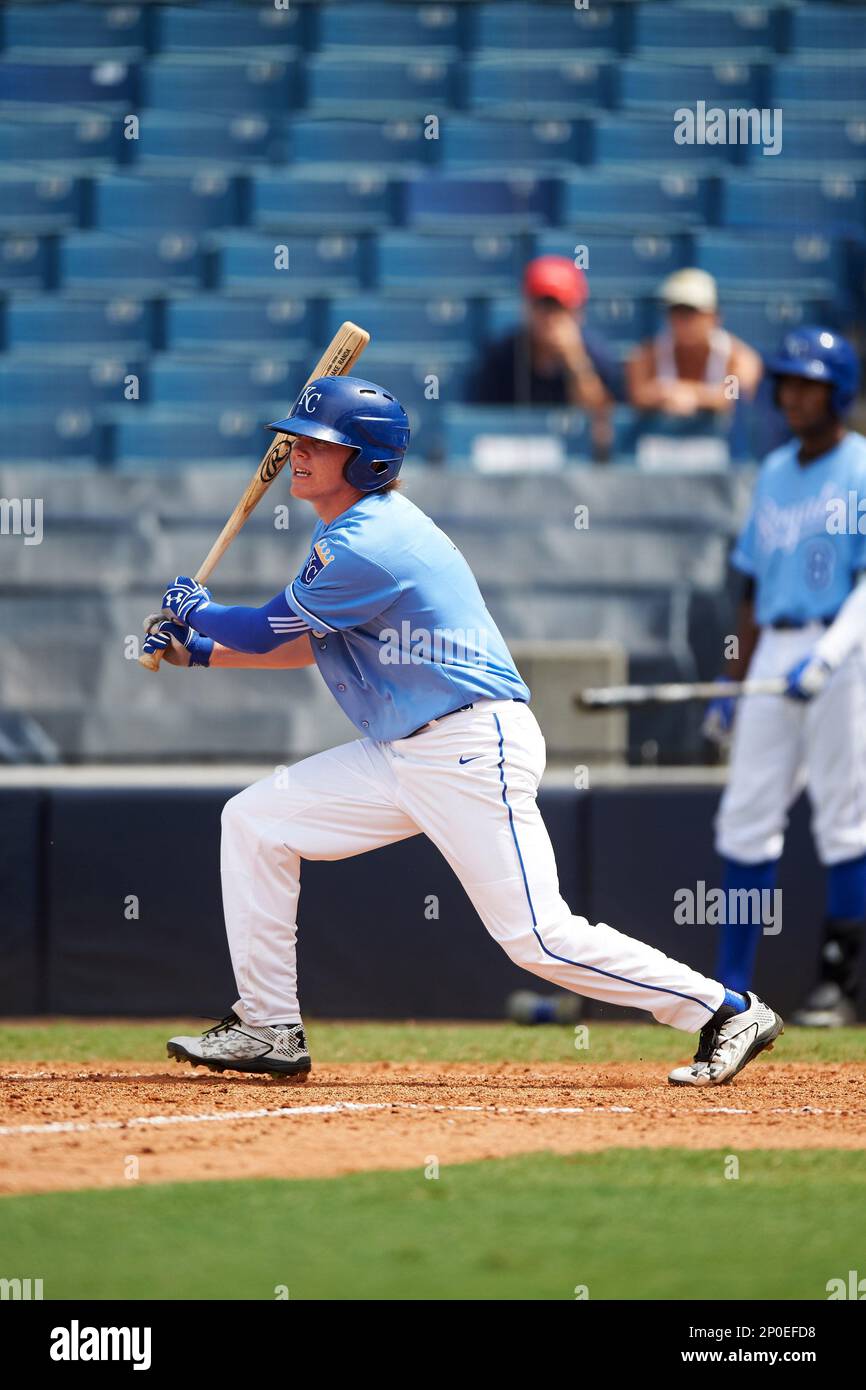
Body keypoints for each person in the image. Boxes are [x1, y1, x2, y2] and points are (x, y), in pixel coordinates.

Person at [142, 374, 782, 1085]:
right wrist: (198, 650)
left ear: (367, 461)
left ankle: (725, 1009)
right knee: (256, 821)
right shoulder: (349, 537)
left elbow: (265, 630)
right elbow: (303, 640)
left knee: (537, 938)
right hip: (403, 753)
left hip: (468, 745)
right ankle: (267, 1025)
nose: (297, 451)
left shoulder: (370, 542)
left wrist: (194, 608)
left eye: (320, 443)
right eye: (297, 438)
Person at [705, 328, 866, 1026]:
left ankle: (841, 982)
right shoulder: (772, 472)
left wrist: (830, 655)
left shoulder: (861, 465)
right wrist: (731, 681)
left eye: (810, 384)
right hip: (775, 652)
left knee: (845, 817)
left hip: (845, 646)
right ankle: (730, 991)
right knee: (745, 818)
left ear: (839, 392)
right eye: (787, 384)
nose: (795, 396)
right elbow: (750, 587)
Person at [469, 255, 621, 461]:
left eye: (557, 307)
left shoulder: (595, 355)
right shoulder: (502, 355)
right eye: (541, 305)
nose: (548, 317)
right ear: (526, 307)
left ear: (577, 312)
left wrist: (575, 359)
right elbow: (481, 426)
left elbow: (603, 430)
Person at [627, 268, 762, 466]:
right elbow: (638, 394)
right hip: (661, 458)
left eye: (692, 312)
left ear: (714, 316)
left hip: (721, 460)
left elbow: (735, 394)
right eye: (676, 311)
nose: (683, 321)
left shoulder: (738, 356)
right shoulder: (648, 355)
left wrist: (688, 394)